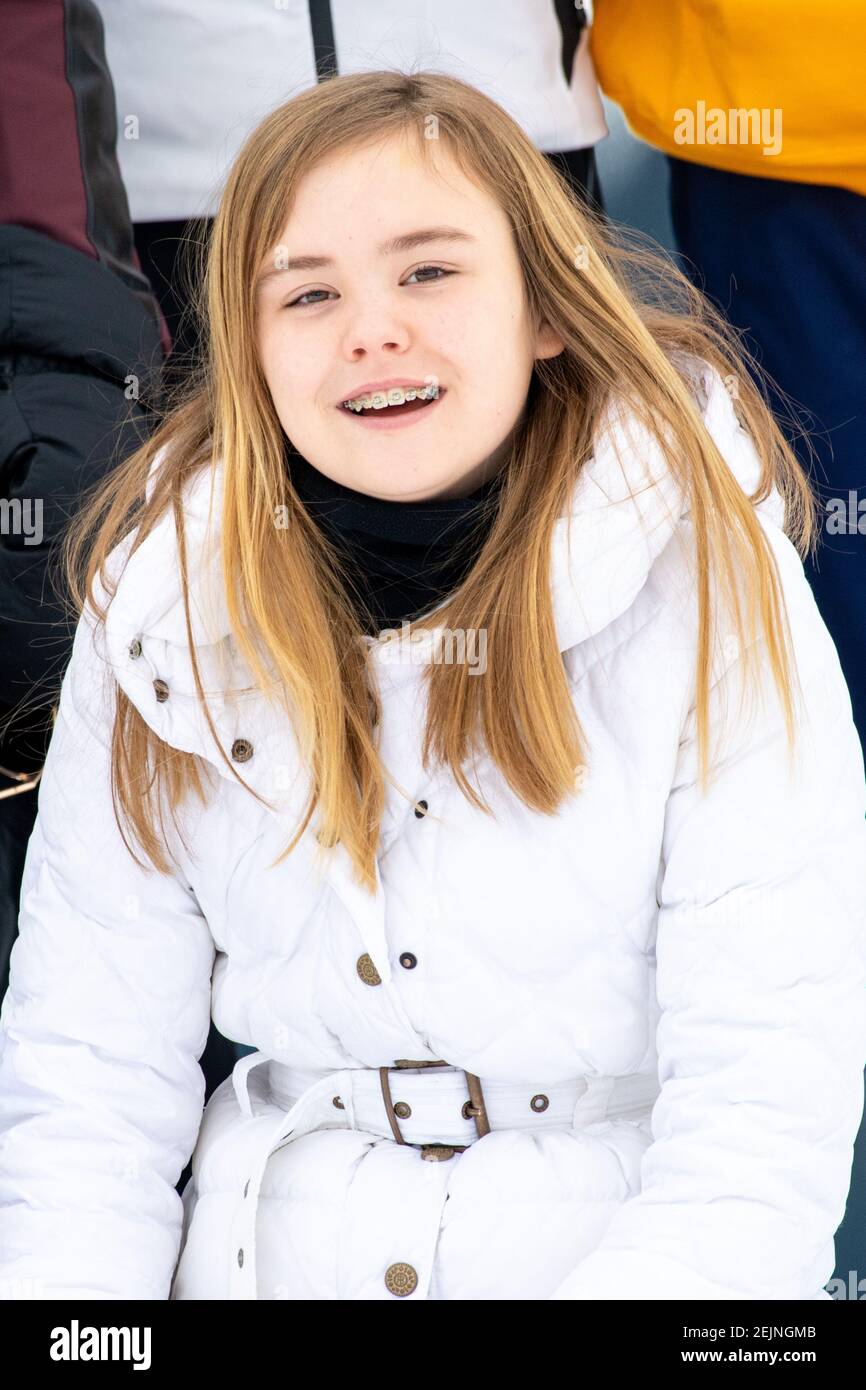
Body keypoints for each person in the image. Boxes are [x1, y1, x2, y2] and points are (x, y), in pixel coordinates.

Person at [0, 69, 864, 1302]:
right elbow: (88, 1087)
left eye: (428, 272)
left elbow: (762, 1106)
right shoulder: (161, 603)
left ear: (547, 308)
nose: (371, 330)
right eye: (307, 293)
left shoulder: (707, 576)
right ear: (245, 350)